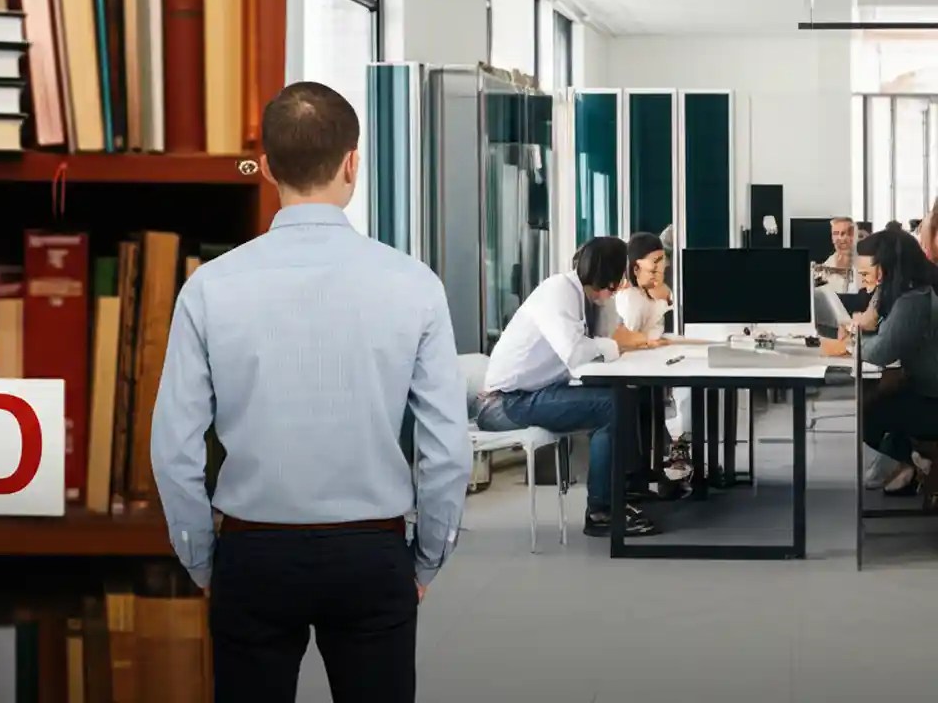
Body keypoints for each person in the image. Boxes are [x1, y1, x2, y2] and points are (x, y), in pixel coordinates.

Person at [150, 81, 471, 703]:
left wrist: (201, 560)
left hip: (252, 551)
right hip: (373, 551)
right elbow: (447, 449)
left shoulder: (210, 287)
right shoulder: (414, 284)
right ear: (354, 162)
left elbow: (174, 449)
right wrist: (427, 557)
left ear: (266, 166)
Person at [477, 236, 660, 538]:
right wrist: (611, 344)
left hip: (532, 393)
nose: (619, 285)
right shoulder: (558, 291)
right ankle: (601, 511)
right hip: (504, 402)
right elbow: (575, 353)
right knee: (610, 407)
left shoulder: (584, 297)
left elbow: (605, 335)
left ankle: (624, 489)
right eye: (617, 278)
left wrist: (608, 308)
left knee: (622, 395)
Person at [821, 229, 938, 494]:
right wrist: (867, 319)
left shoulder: (913, 301)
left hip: (933, 400)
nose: (864, 283)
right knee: (879, 396)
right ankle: (912, 465)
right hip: (927, 390)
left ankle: (913, 463)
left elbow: (879, 352)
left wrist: (855, 334)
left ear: (884, 271)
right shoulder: (913, 293)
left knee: (870, 412)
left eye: (866, 274)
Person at [614, 232, 694, 495]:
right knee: (646, 405)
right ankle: (639, 478)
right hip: (627, 371)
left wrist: (664, 297)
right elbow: (627, 339)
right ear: (636, 265)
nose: (662, 266)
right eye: (656, 261)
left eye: (663, 260)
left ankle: (653, 471)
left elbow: (653, 331)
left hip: (647, 367)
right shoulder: (629, 298)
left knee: (657, 402)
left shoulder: (648, 293)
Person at [815, 216, 858, 293]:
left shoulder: (864, 259)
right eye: (835, 233)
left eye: (844, 233)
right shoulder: (832, 259)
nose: (840, 238)